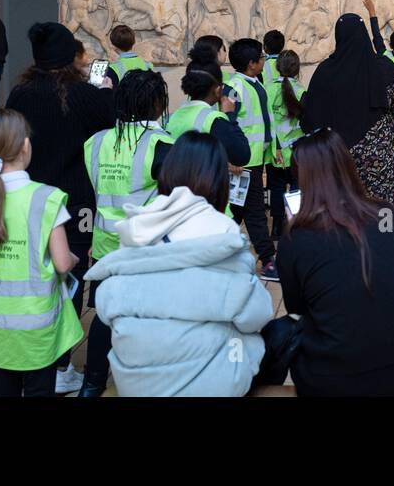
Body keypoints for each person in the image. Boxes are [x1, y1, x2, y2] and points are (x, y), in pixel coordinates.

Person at [85, 131, 272, 396]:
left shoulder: (139, 227)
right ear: (221, 181)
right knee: (253, 337)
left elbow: (106, 306)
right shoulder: (224, 235)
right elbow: (257, 314)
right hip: (212, 386)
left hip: (135, 384)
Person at [267, 129, 394, 396]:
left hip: (331, 381)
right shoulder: (389, 217)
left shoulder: (296, 238)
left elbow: (297, 308)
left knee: (281, 330)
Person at [5, 22, 115, 394]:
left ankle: (38, 354)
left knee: (39, 275)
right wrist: (105, 89)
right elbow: (116, 114)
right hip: (74, 204)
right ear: (72, 58)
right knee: (71, 278)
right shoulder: (83, 95)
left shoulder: (20, 95)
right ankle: (62, 362)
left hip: (30, 199)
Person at [0, 108, 84, 396]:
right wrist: (74, 258)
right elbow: (63, 263)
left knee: (3, 390)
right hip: (37, 324)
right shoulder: (46, 198)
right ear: (25, 146)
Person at [79, 69, 173, 396]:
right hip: (146, 249)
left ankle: (92, 383)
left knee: (105, 316)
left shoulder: (95, 142)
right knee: (148, 316)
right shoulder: (162, 145)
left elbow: (90, 195)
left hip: (106, 247)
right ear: (158, 104)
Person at [300, 13, 394, 206]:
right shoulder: (385, 67)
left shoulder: (325, 71)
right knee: (381, 206)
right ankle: (385, 233)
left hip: (338, 154)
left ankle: (348, 236)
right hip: (379, 153)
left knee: (343, 207)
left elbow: (311, 116)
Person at [222, 38, 278, 281]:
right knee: (254, 212)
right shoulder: (233, 87)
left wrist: (273, 147)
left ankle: (219, 254)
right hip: (243, 162)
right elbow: (226, 123)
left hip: (256, 159)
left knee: (236, 211)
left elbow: (265, 120)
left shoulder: (256, 83)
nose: (265, 61)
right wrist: (232, 156)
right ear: (251, 63)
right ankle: (267, 260)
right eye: (262, 58)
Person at [165, 67, 250, 166]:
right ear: (218, 90)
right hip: (203, 178)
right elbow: (242, 155)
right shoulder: (213, 119)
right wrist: (229, 115)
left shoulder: (175, 115)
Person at [268, 49, 304, 239]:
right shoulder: (301, 91)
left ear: (276, 67)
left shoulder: (267, 89)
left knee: (276, 188)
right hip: (296, 152)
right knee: (297, 189)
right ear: (297, 68)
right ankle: (294, 225)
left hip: (276, 152)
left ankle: (276, 227)